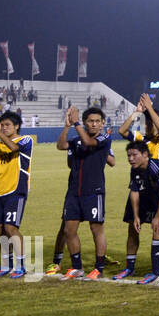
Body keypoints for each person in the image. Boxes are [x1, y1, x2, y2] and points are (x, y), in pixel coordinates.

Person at [54, 106, 114, 279]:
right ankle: (77, 267)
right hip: (74, 192)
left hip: (94, 192)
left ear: (102, 124)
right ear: (86, 123)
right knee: (69, 230)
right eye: (90, 121)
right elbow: (60, 145)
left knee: (96, 229)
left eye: (97, 121)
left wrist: (76, 123)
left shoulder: (104, 138)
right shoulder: (76, 139)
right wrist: (67, 126)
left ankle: (99, 268)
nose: (94, 124)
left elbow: (89, 143)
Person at [0, 110, 34, 278]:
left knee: (11, 228)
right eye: (1, 125)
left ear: (17, 126)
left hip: (16, 191)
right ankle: (6, 265)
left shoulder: (25, 140)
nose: (3, 128)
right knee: (1, 229)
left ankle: (21, 265)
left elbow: (13, 148)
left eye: (7, 125)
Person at [121, 141, 159, 284]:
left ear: (145, 155)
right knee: (132, 226)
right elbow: (134, 191)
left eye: (134, 155)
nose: (131, 158)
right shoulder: (134, 169)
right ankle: (131, 268)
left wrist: (158, 216)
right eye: (128, 155)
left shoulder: (156, 167)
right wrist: (136, 216)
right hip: (153, 197)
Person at [119, 93, 159, 160]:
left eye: (149, 124)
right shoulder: (140, 137)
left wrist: (149, 107)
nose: (145, 126)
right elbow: (122, 131)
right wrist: (136, 112)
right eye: (144, 123)